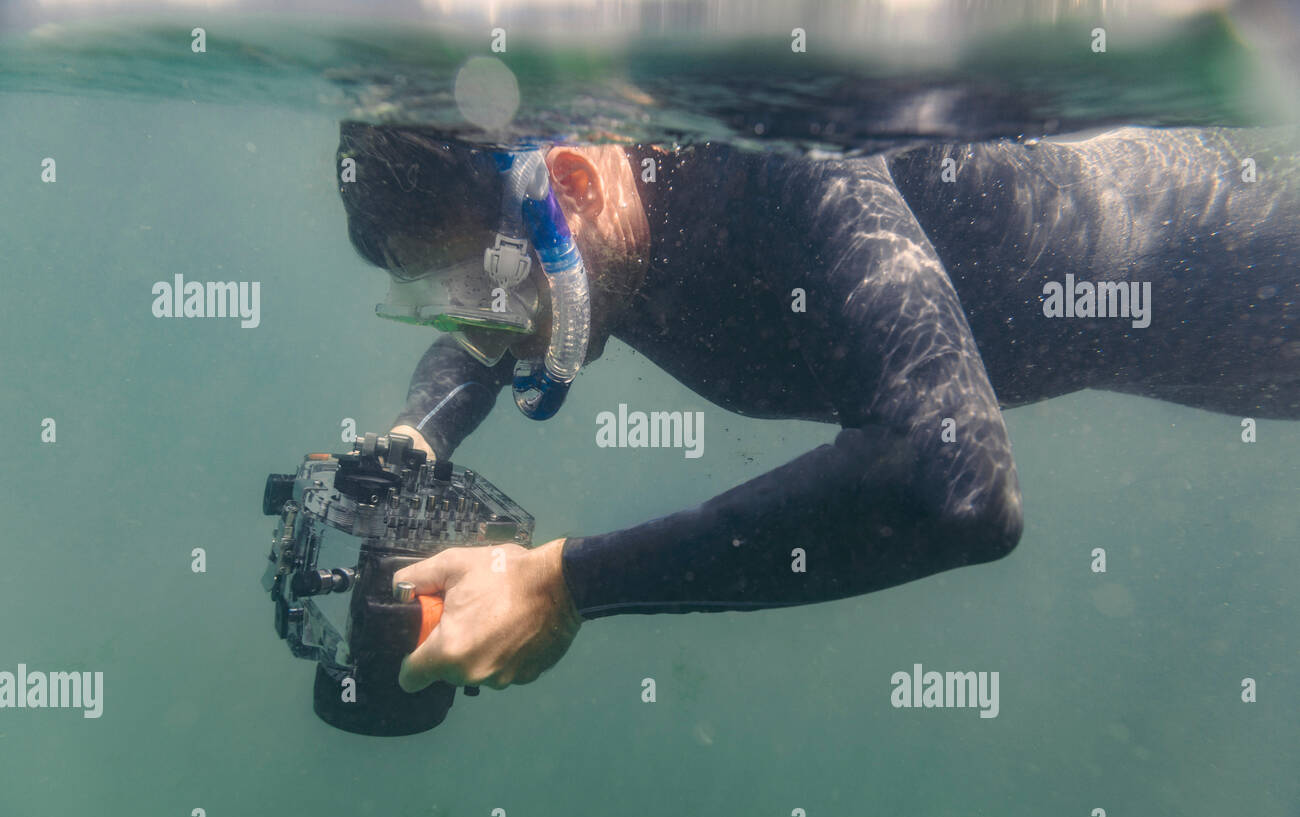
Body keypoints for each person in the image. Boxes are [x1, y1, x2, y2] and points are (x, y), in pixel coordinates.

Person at [335, 122, 1300, 692]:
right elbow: (491, 335)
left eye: (482, 293)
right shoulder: (588, 247)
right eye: (447, 301)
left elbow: (957, 481)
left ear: (574, 186)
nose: (484, 331)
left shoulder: (790, 166)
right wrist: (418, 436)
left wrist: (563, 584)